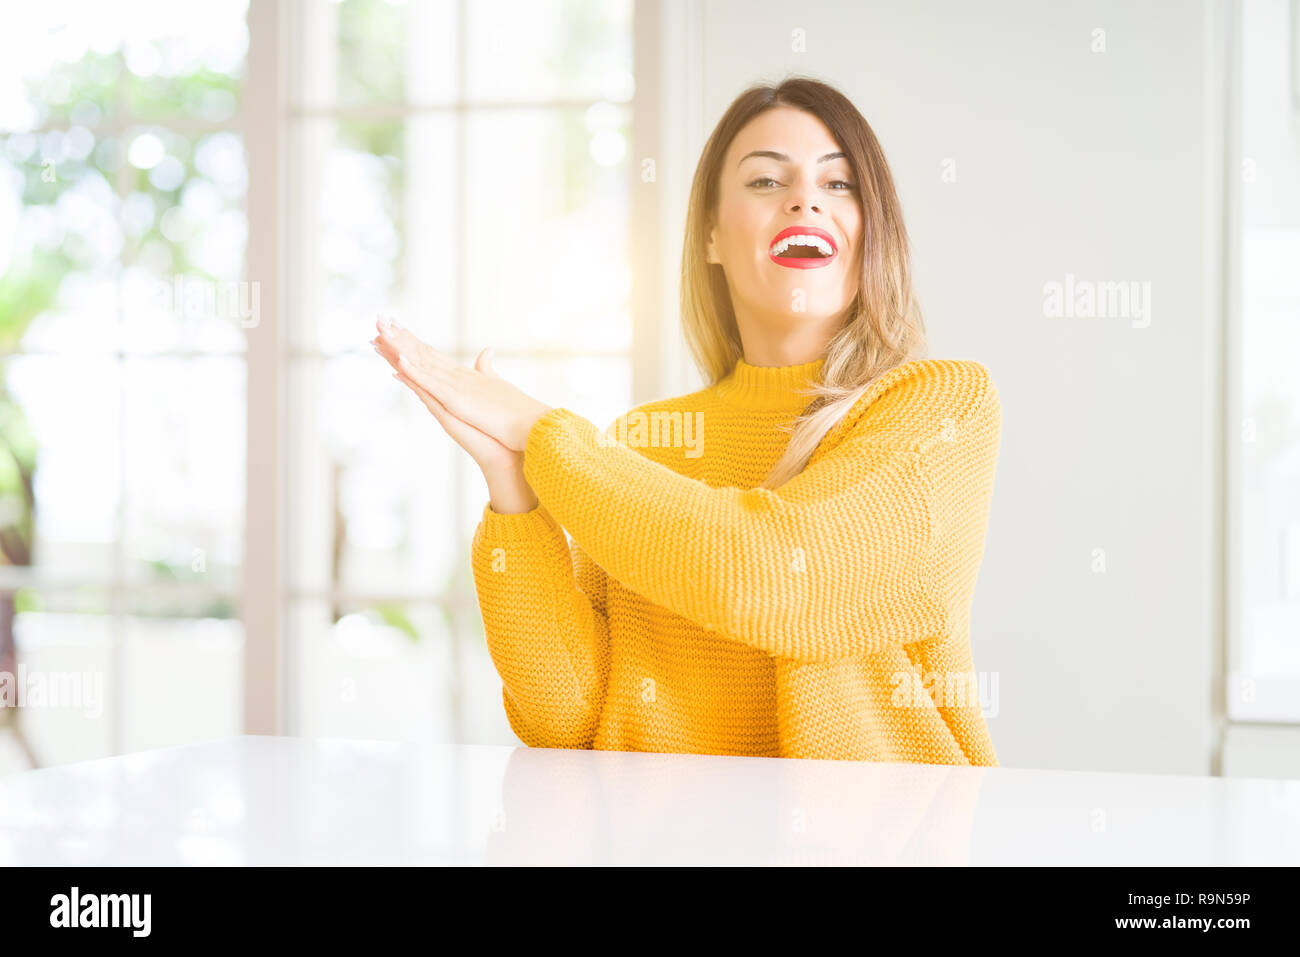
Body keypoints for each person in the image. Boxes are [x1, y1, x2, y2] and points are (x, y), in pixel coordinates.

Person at [372, 76, 1001, 765]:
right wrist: (512, 483)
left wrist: (542, 430)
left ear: (871, 229)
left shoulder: (940, 407)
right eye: (766, 180)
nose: (805, 198)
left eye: (840, 184)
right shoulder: (646, 444)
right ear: (711, 236)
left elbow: (780, 573)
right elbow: (568, 716)